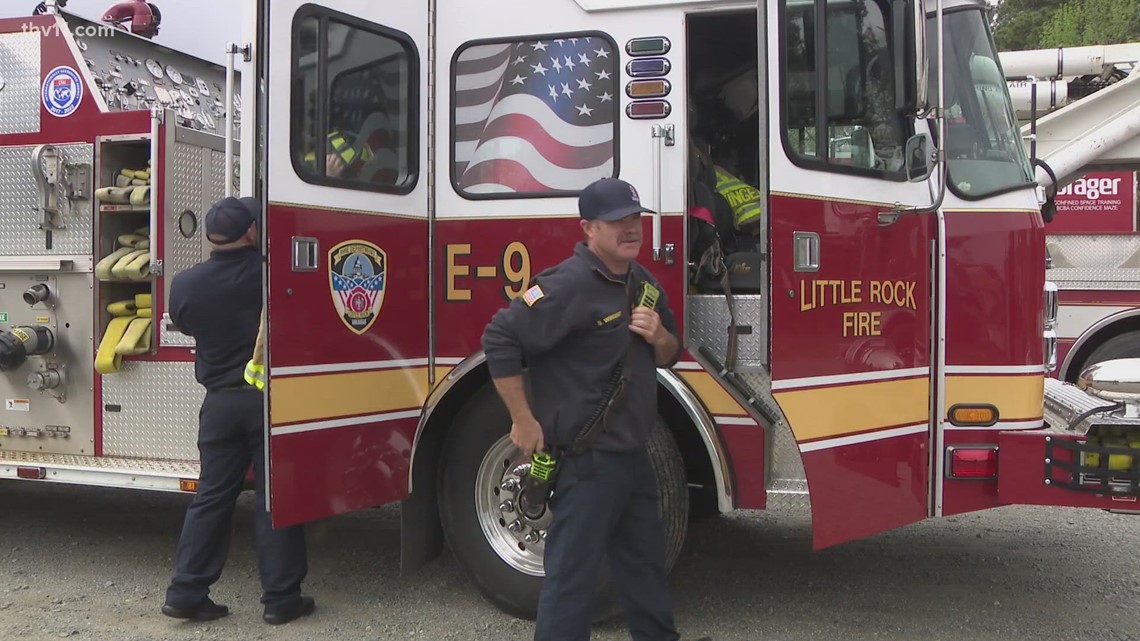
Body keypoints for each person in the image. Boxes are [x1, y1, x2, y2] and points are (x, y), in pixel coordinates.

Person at [481, 177, 711, 641]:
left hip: (631, 455)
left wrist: (658, 336)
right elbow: (499, 338)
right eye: (617, 222)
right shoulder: (566, 285)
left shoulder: (642, 283)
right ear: (588, 228)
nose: (631, 229)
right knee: (572, 578)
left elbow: (671, 352)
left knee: (644, 564)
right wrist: (522, 419)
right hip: (585, 462)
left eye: (635, 219)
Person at [161, 196, 314, 625]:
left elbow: (187, 325)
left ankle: (186, 591)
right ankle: (281, 599)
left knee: (210, 498)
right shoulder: (270, 275)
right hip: (267, 402)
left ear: (212, 236)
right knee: (273, 498)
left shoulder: (185, 285)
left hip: (220, 404)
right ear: (250, 231)